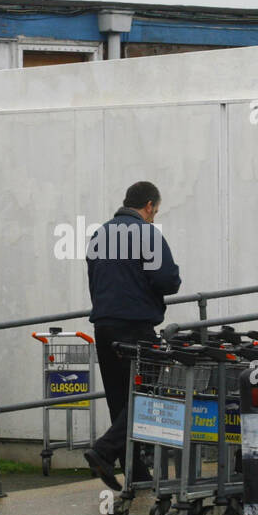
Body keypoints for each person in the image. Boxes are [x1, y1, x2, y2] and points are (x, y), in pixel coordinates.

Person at [83, 181, 182, 490]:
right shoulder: (146, 234)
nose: (154, 216)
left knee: (120, 401)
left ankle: (136, 473)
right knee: (146, 395)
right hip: (136, 327)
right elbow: (167, 280)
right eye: (156, 211)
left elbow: (95, 280)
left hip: (104, 326)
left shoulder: (100, 235)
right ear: (149, 206)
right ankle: (104, 451)